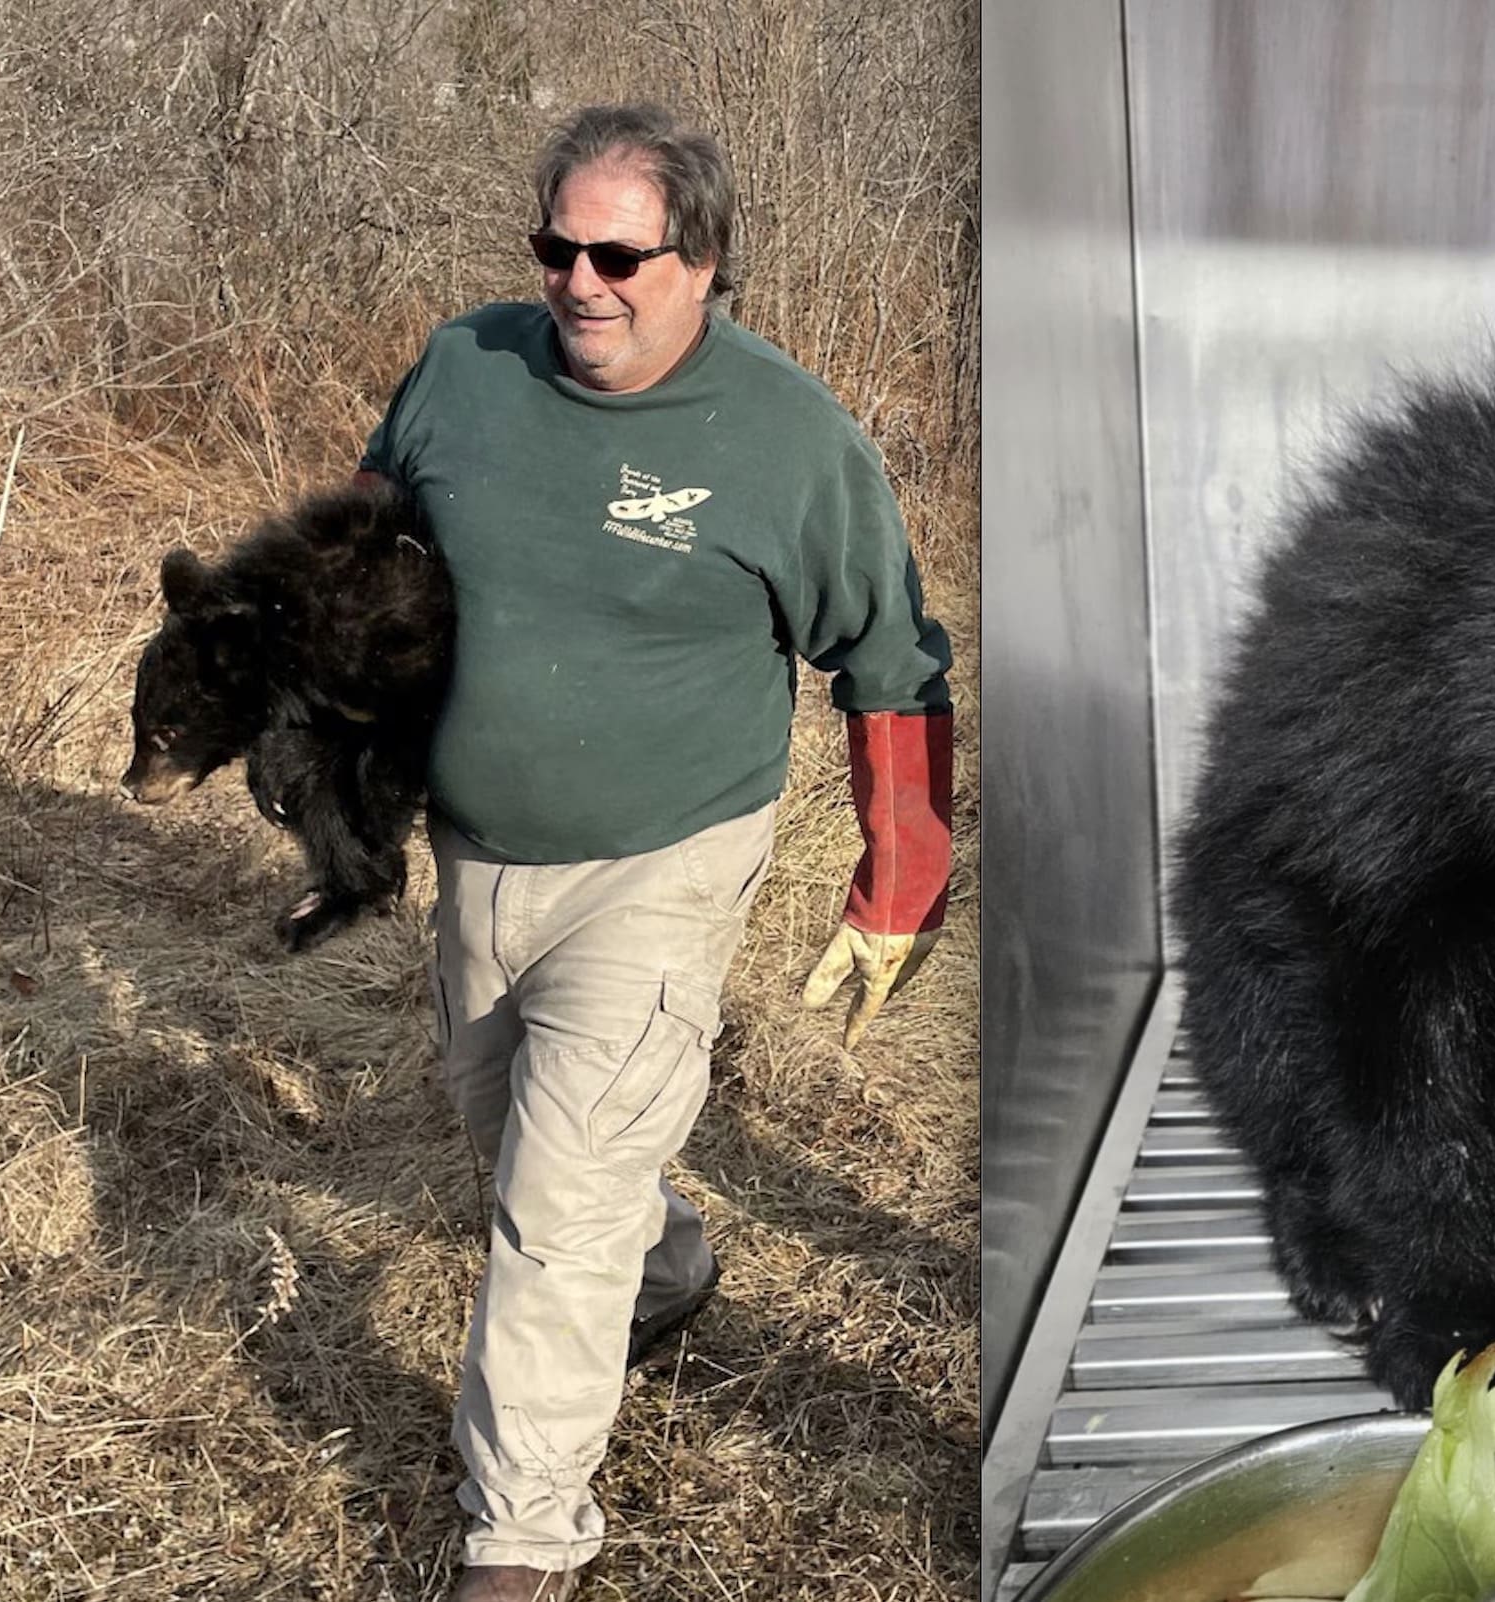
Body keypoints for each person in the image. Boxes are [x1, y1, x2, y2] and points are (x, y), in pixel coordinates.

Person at [355, 102, 954, 1601]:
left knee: (551, 1228)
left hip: (662, 867)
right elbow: (367, 551)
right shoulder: (463, 369)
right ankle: (670, 1261)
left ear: (704, 260)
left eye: (618, 252)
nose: (578, 281)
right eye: (555, 245)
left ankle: (521, 1546)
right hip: (479, 857)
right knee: (504, 1129)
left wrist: (898, 884)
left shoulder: (789, 444)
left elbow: (890, 662)